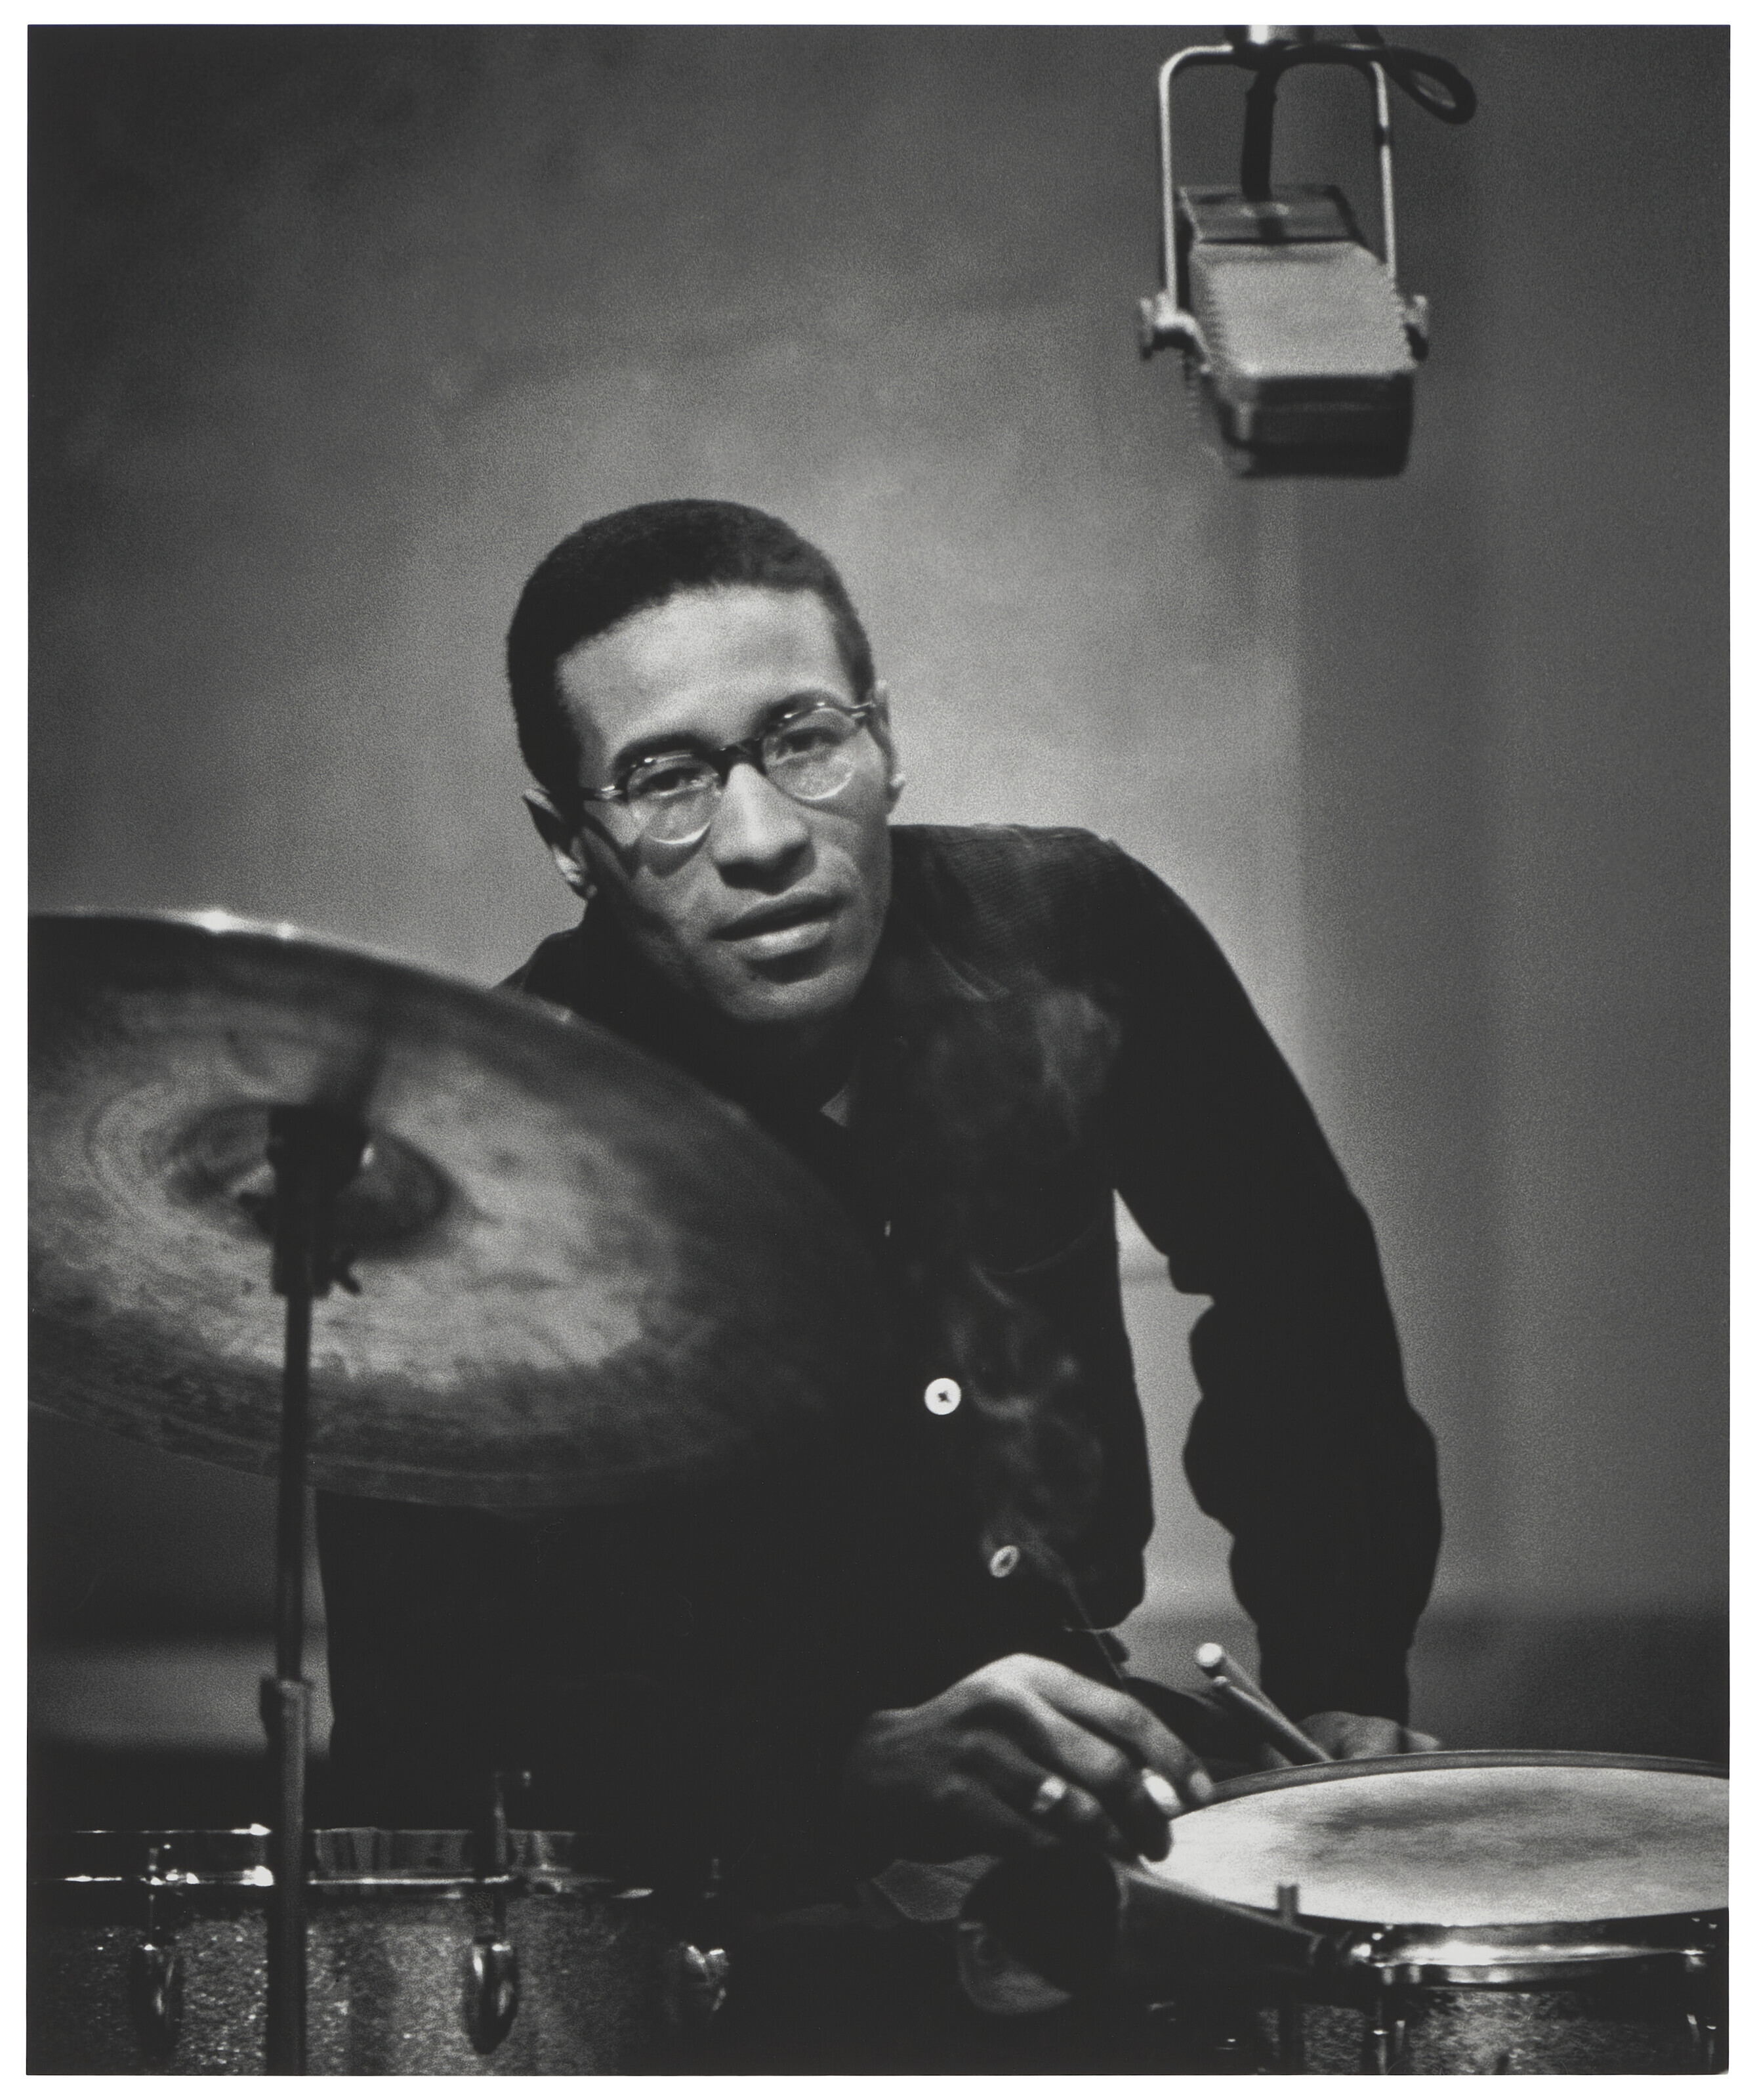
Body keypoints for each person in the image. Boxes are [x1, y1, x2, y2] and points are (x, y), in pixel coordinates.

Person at [316, 498, 1439, 2057]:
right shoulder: (483, 1144)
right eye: (666, 779)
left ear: (887, 743)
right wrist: (845, 1760)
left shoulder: (1075, 928)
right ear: (570, 842)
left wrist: (1341, 1680)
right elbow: (430, 1712)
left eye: (803, 738)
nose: (767, 835)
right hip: (677, 1889)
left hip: (1063, 1829)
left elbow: (1293, 1279)